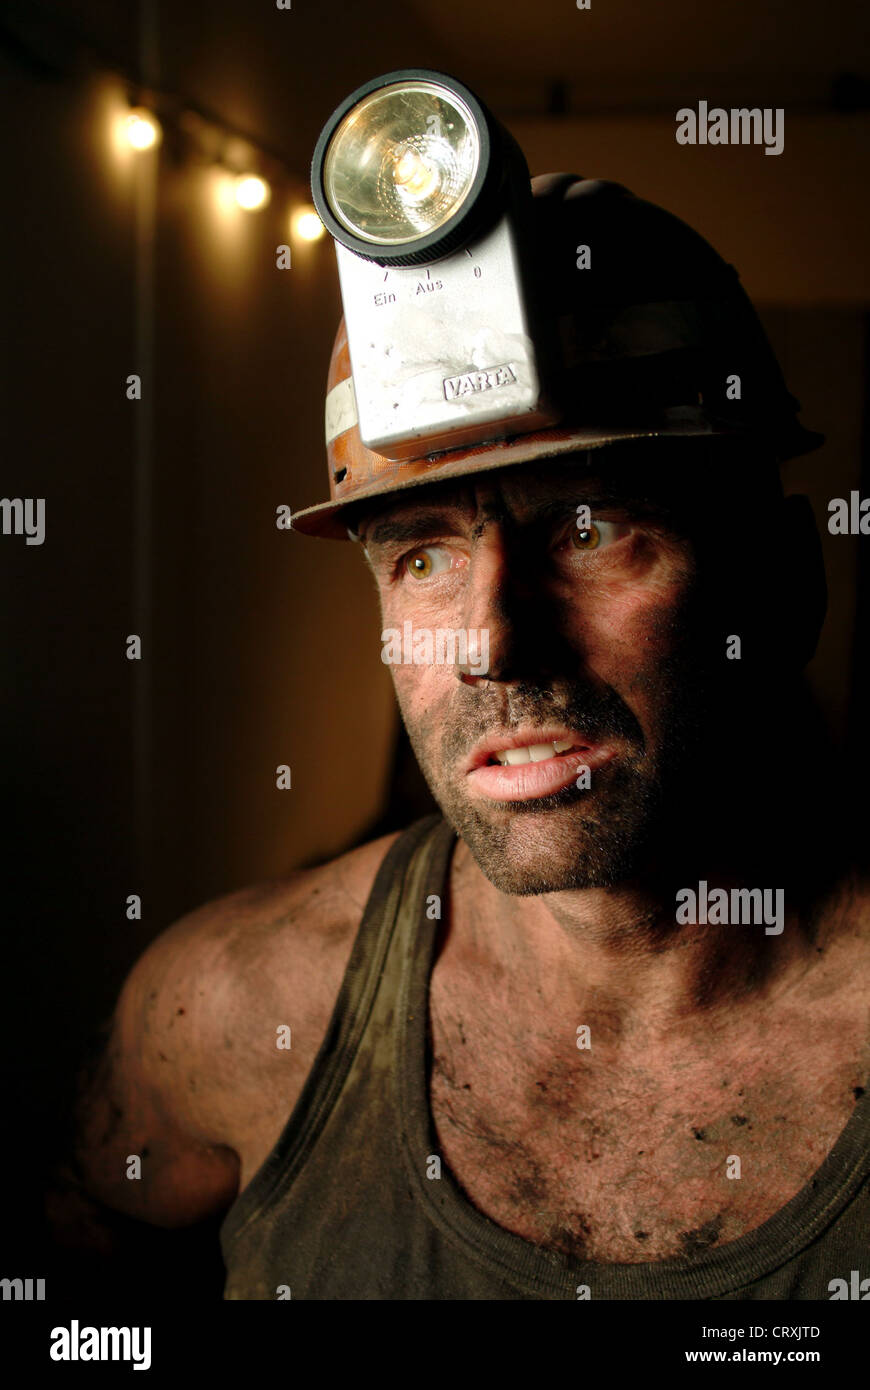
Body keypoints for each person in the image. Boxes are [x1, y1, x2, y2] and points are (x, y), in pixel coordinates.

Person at [52, 175, 870, 1301]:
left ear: (782, 583)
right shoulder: (237, 1008)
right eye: (421, 557)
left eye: (590, 529)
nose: (492, 641)